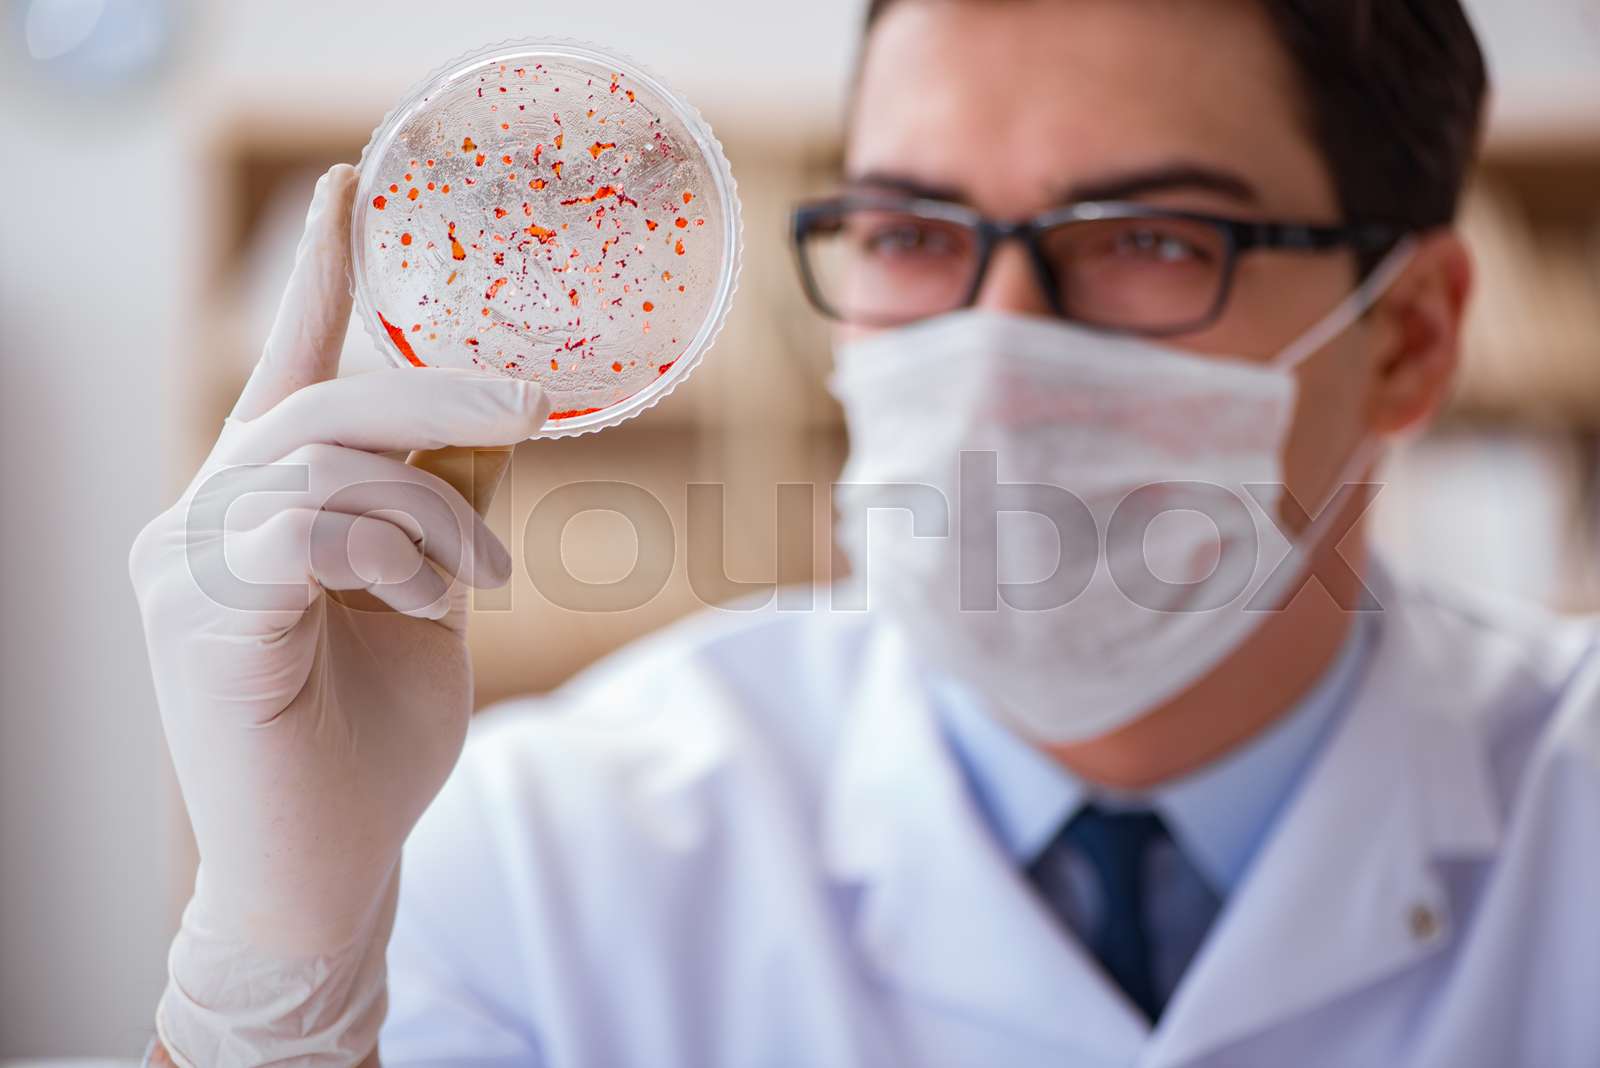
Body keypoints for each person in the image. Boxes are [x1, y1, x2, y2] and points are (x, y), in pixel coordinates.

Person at [130, 0, 1600, 1065]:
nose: (994, 343)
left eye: (1152, 239)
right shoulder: (544, 857)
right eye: (909, 234)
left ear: (1410, 335)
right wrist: (279, 980)